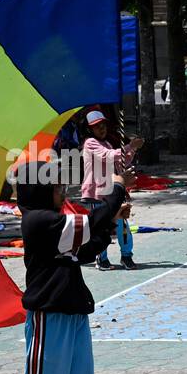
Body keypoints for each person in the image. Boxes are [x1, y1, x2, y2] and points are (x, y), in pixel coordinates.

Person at [3, 164, 132, 374]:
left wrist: (113, 220)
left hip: (75, 316)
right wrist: (116, 188)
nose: (63, 192)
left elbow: (85, 250)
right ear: (40, 191)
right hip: (49, 320)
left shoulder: (56, 224)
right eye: (58, 187)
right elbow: (90, 223)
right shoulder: (38, 221)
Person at [81, 109, 142, 270]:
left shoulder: (107, 143)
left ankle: (126, 256)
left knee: (122, 224)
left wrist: (133, 149)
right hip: (98, 193)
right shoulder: (90, 144)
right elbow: (108, 155)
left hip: (113, 191)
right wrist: (129, 146)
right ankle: (101, 258)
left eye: (103, 125)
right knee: (101, 226)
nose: (101, 129)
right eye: (96, 126)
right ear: (90, 129)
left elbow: (122, 162)